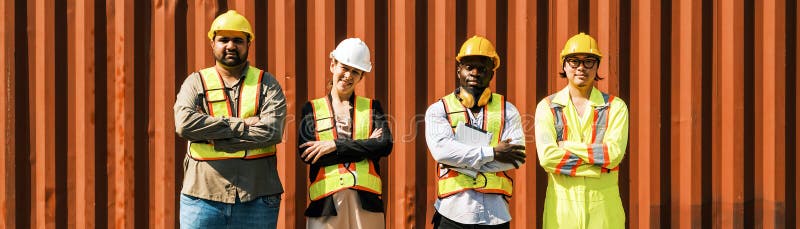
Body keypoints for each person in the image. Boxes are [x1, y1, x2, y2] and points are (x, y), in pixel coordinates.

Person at [174, 10, 286, 229]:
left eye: (238, 40)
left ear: (248, 44)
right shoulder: (195, 83)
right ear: (212, 44)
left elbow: (272, 131)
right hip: (202, 198)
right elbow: (185, 125)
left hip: (257, 198)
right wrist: (241, 124)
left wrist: (213, 137)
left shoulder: (267, 83)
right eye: (223, 40)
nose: (231, 46)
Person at [425, 35, 527, 229]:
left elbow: (516, 158)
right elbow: (442, 152)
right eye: (469, 67)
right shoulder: (439, 109)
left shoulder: (508, 110)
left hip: (496, 214)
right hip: (452, 213)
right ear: (459, 71)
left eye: (482, 68)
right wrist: (493, 153)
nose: (475, 72)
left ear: (491, 74)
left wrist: (460, 161)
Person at [534, 32, 629, 228]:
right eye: (574, 61)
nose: (581, 68)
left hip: (604, 213)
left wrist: (567, 146)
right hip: (561, 214)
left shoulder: (615, 106)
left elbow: (613, 155)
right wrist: (597, 167)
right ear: (564, 65)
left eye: (589, 62)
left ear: (597, 65)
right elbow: (547, 158)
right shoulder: (548, 107)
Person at [297, 38, 393, 229]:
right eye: (344, 67)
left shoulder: (372, 107)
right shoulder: (312, 109)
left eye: (355, 71)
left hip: (366, 204)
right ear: (332, 65)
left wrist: (333, 145)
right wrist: (366, 146)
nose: (348, 75)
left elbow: (384, 145)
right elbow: (309, 155)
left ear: (361, 77)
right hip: (325, 205)